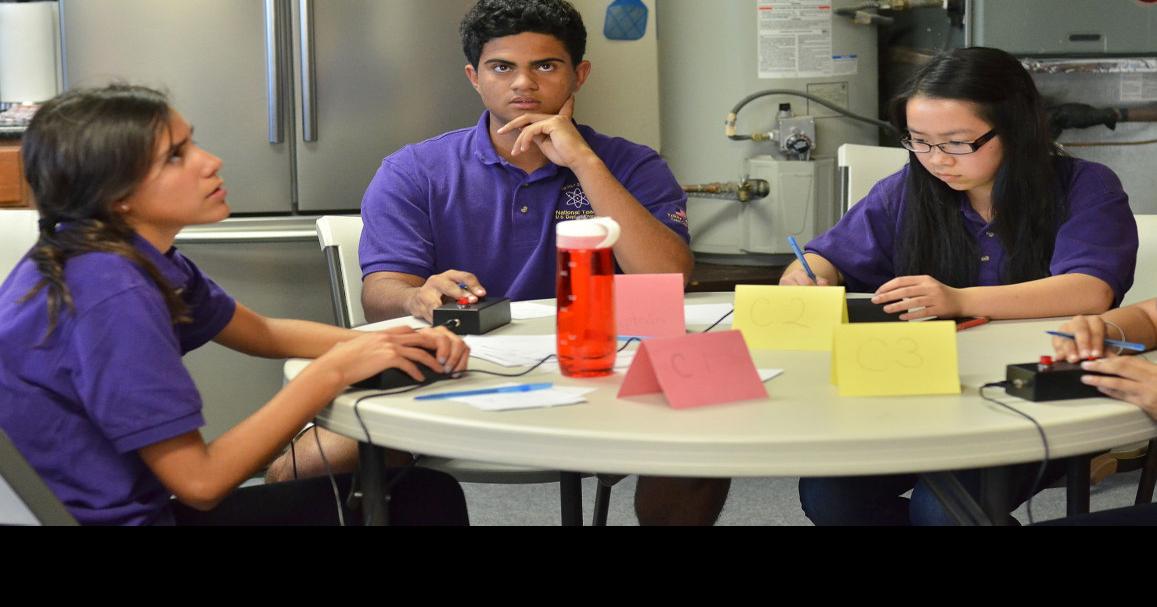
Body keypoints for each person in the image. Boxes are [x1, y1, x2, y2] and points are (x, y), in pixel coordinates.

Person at [273, 0, 730, 525]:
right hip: (455, 370)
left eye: (545, 65)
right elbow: (381, 292)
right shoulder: (414, 170)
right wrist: (416, 295)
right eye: (501, 67)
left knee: (702, 434)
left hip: (603, 370)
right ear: (474, 77)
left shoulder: (632, 164)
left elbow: (668, 280)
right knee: (309, 466)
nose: (523, 84)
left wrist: (583, 162)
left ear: (578, 74)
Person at [0, 84, 470, 525]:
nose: (210, 161)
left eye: (192, 143)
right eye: (176, 157)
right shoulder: (113, 294)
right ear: (117, 196)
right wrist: (334, 370)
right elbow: (201, 484)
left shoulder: (116, 252)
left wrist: (393, 343)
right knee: (424, 501)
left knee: (418, 493)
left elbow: (262, 333)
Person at [783, 47, 1138, 525]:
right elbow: (830, 257)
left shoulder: (1085, 186)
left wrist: (957, 299)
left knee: (944, 511)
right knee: (830, 495)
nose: (935, 160)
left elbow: (1089, 290)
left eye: (955, 142)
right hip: (922, 391)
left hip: (1031, 393)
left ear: (1015, 127)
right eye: (919, 141)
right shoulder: (904, 191)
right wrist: (812, 273)